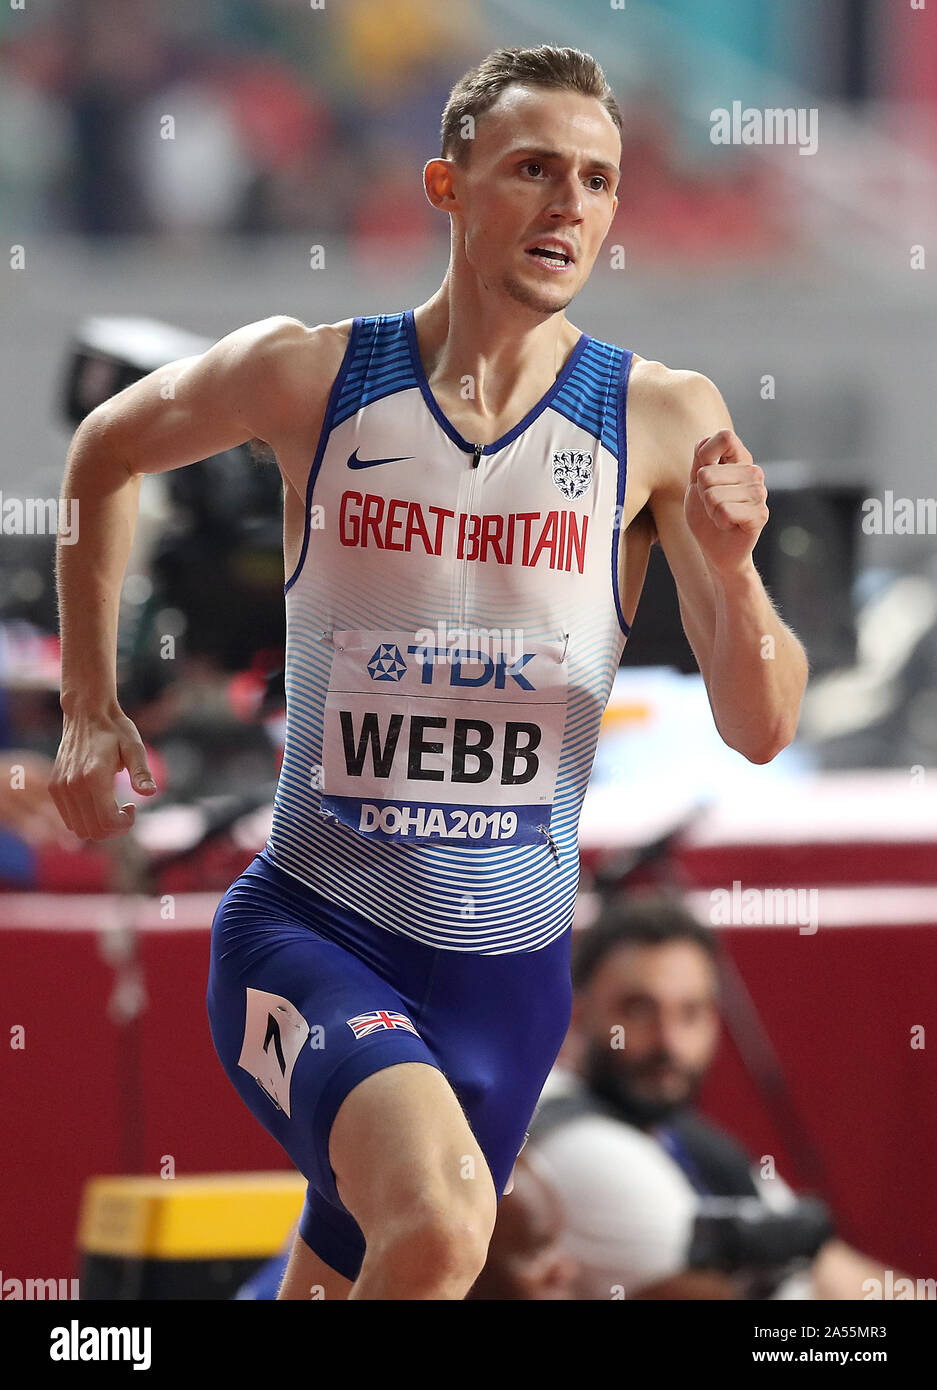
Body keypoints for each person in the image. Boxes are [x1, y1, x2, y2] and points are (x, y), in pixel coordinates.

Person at [49, 45, 808, 1300]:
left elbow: (763, 723)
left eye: (598, 181)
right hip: (310, 931)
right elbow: (103, 451)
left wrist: (729, 569)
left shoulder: (660, 418)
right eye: (532, 170)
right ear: (446, 185)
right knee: (449, 1230)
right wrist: (88, 703)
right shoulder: (313, 375)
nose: (569, 205)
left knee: (347, 1277)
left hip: (508, 988)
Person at [530, 894, 910, 1299]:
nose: (668, 1042)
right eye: (639, 1010)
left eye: (690, 1012)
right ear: (577, 1015)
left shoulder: (686, 1138)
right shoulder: (577, 1144)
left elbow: (826, 1262)